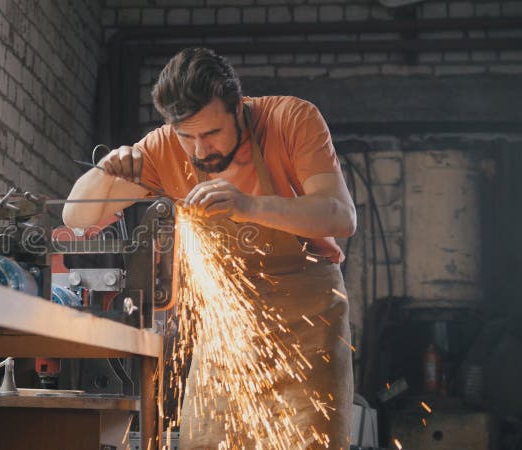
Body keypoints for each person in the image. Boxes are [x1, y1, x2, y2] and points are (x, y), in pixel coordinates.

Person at [63, 47, 355, 449]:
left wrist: (249, 206)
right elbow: (75, 215)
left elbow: (341, 216)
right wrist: (107, 169)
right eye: (188, 137)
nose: (200, 151)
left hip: (307, 326)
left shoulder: (291, 119)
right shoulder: (163, 147)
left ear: (238, 108)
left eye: (211, 134)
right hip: (227, 333)